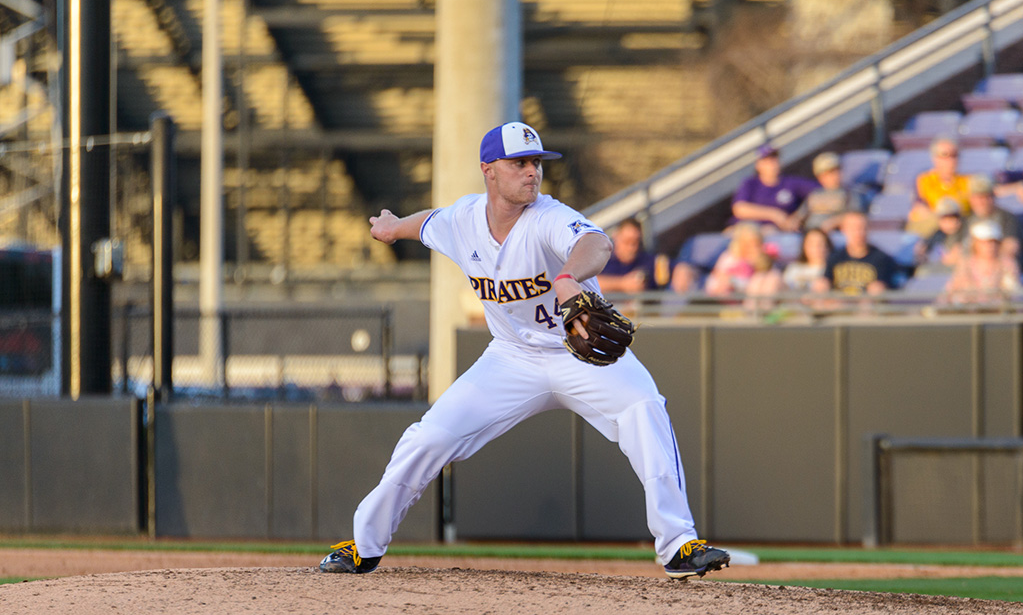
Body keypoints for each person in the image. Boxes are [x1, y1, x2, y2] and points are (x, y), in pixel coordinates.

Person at [319, 121, 730, 580]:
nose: (532, 172)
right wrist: (395, 228)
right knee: (429, 437)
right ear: (488, 170)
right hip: (510, 358)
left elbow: (597, 242)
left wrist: (568, 276)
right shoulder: (464, 220)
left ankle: (678, 544)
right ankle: (364, 546)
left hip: (579, 354)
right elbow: (430, 222)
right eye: (520, 163)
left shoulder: (548, 217)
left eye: (536, 162)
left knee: (644, 408)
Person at [729, 144, 817, 232]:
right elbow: (740, 209)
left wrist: (798, 217)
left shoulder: (790, 183)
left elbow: (817, 193)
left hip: (781, 234)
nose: (772, 164)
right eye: (767, 161)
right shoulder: (750, 184)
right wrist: (774, 215)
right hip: (750, 231)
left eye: (774, 159)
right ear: (758, 165)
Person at [812, 211, 897, 296]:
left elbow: (882, 290)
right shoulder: (835, 257)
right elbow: (826, 282)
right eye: (854, 228)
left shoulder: (882, 259)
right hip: (838, 305)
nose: (859, 233)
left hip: (866, 306)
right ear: (843, 230)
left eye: (863, 228)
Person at [705, 221, 783, 307]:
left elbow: (769, 273)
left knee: (768, 278)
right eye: (748, 243)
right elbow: (720, 276)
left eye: (756, 243)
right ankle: (752, 312)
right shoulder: (730, 257)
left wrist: (761, 260)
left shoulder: (763, 256)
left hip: (753, 290)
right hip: (732, 293)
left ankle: (764, 310)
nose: (753, 247)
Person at [942, 221, 1021, 304]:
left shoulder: (1007, 264)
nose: (990, 246)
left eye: (993, 242)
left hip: (997, 313)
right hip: (969, 311)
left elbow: (1012, 292)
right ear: (975, 243)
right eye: (984, 242)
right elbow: (951, 290)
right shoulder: (965, 263)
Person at [907, 138, 970, 238]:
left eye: (954, 155)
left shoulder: (967, 181)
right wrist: (943, 219)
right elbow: (920, 207)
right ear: (935, 158)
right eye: (945, 155)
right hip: (933, 230)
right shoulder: (924, 180)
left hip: (962, 228)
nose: (951, 160)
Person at [794, 152, 866, 232]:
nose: (834, 175)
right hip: (810, 234)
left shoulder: (850, 193)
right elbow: (799, 216)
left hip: (835, 235)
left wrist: (833, 222)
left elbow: (856, 217)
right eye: (828, 173)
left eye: (836, 171)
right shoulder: (814, 195)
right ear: (820, 177)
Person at [964, 174, 1023, 266]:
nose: (982, 202)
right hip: (971, 270)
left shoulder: (1007, 218)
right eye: (978, 197)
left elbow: (1011, 247)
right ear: (971, 199)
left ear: (993, 197)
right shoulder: (966, 219)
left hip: (999, 269)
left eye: (987, 197)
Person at [596, 217, 667, 293]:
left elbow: (672, 267)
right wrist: (622, 284)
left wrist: (678, 270)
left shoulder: (647, 260)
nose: (631, 248)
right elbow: (590, 283)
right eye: (627, 241)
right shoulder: (603, 260)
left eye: (635, 242)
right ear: (615, 237)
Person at [914, 197, 967, 276]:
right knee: (922, 272)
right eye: (945, 218)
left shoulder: (966, 232)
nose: (949, 222)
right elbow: (924, 254)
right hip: (940, 269)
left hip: (960, 270)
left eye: (952, 217)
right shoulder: (936, 235)